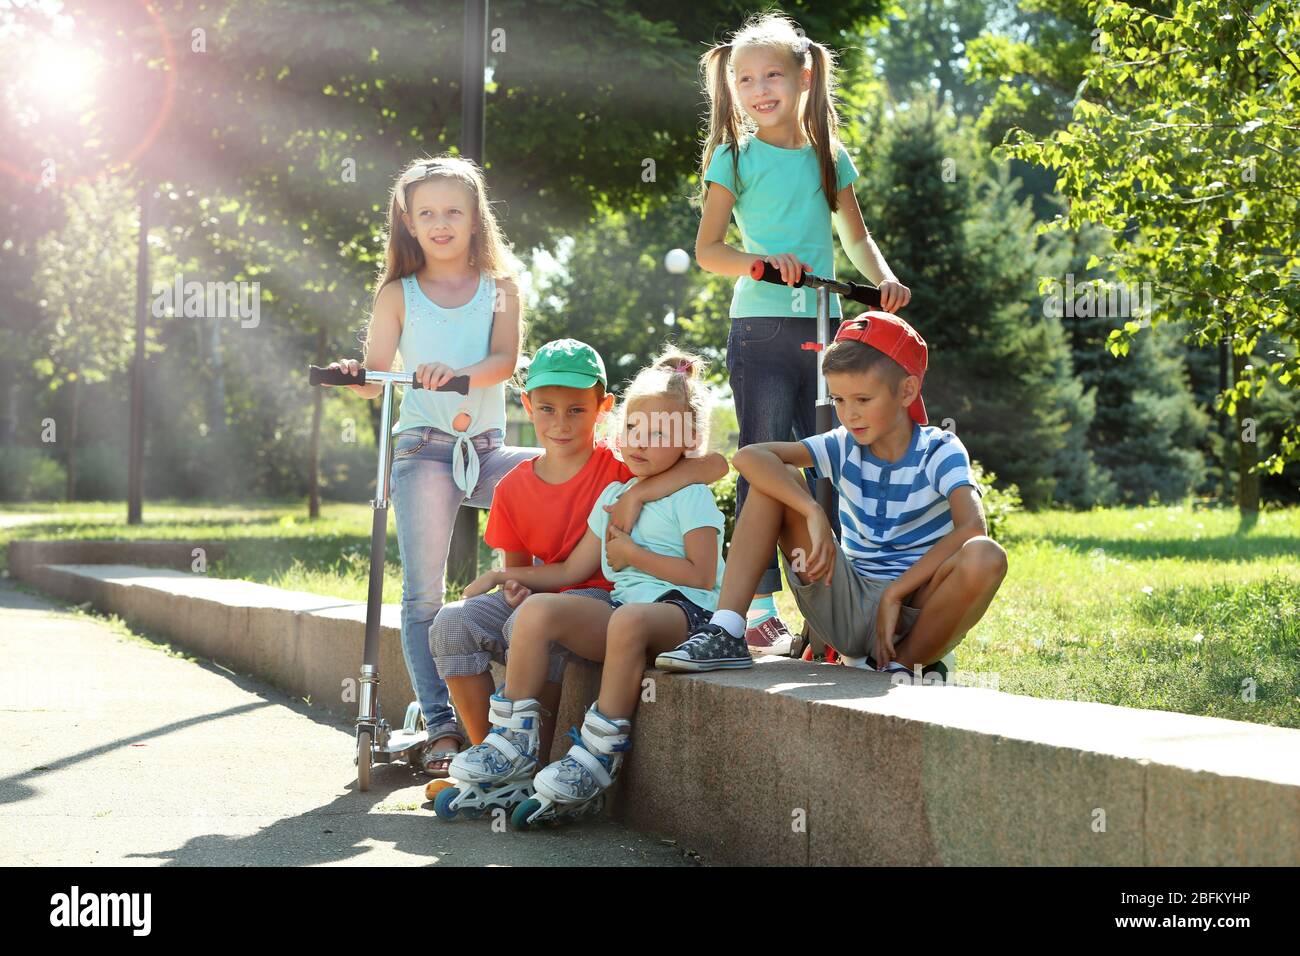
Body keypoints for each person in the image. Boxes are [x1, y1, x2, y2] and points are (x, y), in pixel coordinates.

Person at [694, 11, 911, 654]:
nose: (759, 89)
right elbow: (709, 249)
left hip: (825, 326)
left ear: (804, 77)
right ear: (732, 88)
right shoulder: (733, 156)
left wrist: (886, 281)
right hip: (760, 325)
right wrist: (761, 263)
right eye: (745, 79)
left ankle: (829, 610)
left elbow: (856, 235)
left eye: (772, 76)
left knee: (829, 462)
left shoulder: (828, 156)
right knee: (763, 453)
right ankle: (757, 604)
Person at [426, 339, 726, 801]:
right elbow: (554, 572)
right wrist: (505, 582)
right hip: (569, 600)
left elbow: (715, 463)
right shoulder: (521, 489)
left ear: (602, 408)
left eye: (576, 410)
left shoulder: (622, 468)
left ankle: (533, 755)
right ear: (527, 405)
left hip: (612, 605)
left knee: (543, 613)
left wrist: (636, 495)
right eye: (547, 408)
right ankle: (499, 755)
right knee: (454, 621)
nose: (561, 423)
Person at [325, 155, 534, 776]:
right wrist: (354, 378)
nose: (440, 223)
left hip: (489, 448)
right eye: (426, 214)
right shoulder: (398, 294)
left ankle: (538, 617)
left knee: (556, 479)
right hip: (423, 449)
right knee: (422, 593)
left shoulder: (501, 287)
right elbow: (376, 376)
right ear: (409, 224)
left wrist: (459, 375)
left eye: (453, 212)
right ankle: (442, 727)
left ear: (475, 220)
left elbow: (505, 359)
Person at [657, 314, 1007, 677]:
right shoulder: (843, 444)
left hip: (918, 610)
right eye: (839, 399)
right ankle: (727, 629)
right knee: (775, 478)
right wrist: (812, 511)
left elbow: (972, 528)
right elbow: (748, 456)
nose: (849, 414)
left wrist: (894, 593)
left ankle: (902, 666)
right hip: (848, 604)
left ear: (906, 391)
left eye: (863, 399)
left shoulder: (939, 448)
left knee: (986, 555)